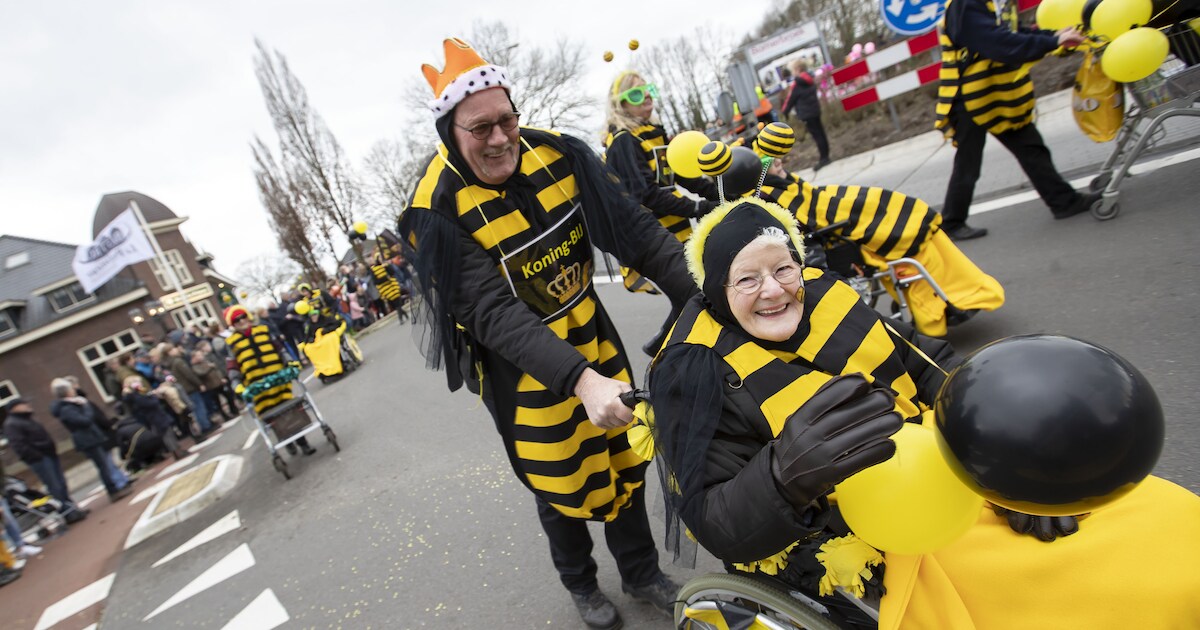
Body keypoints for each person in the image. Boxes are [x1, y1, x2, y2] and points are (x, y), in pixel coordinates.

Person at [399, 38, 700, 629]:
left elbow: (634, 231)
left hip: (590, 328)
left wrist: (700, 291)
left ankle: (640, 573)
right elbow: (490, 311)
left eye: (506, 120)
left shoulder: (559, 154)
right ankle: (581, 584)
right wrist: (581, 383)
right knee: (557, 475)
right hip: (521, 367)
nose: (499, 139)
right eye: (479, 128)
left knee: (625, 453)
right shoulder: (433, 209)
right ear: (448, 132)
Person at [646, 197, 946, 626]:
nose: (773, 290)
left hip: (934, 483)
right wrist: (782, 477)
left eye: (784, 269)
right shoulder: (692, 369)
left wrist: (1008, 453)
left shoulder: (830, 295)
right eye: (746, 279)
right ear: (717, 288)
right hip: (836, 542)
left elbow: (932, 365)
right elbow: (712, 518)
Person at [758, 157, 1004, 337]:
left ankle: (953, 299)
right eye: (768, 157)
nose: (779, 159)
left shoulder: (780, 184)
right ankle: (942, 309)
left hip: (859, 216)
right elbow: (815, 218)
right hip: (853, 230)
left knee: (917, 223)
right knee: (916, 235)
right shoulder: (772, 195)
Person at [935, 0, 1101, 240]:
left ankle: (1064, 202)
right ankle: (951, 222)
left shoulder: (997, 2)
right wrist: (1052, 41)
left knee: (1029, 145)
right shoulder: (966, 3)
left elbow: (1012, 32)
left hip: (994, 92)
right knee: (969, 163)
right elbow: (997, 43)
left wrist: (1053, 36)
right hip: (968, 96)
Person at [603, 71, 721, 286]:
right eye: (637, 94)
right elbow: (646, 195)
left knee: (697, 296)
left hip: (674, 225)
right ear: (621, 104)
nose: (647, 97)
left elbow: (678, 174)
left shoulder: (653, 132)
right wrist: (699, 208)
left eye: (649, 91)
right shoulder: (623, 141)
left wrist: (719, 193)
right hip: (653, 234)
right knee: (695, 296)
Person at [223, 305, 316, 456]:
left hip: (278, 382)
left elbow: (280, 349)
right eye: (236, 320)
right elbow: (232, 367)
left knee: (290, 412)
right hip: (258, 389)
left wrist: (290, 362)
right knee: (272, 417)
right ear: (232, 324)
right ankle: (288, 442)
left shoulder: (263, 330)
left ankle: (303, 443)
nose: (241, 321)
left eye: (243, 317)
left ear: (248, 316)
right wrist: (236, 385)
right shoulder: (231, 343)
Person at [2, 398, 87, 523]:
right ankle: (66, 513)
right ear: (15, 408)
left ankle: (72, 509)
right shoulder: (12, 424)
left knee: (61, 483)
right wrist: (37, 456)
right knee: (54, 486)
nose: (27, 405)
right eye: (23, 404)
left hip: (49, 455)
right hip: (40, 459)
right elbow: (19, 445)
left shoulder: (27, 419)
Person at [49, 379, 132, 501]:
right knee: (103, 466)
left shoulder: (72, 405)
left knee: (105, 463)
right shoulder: (67, 409)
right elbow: (84, 421)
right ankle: (113, 491)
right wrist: (86, 407)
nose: (73, 391)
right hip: (88, 440)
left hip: (92, 437)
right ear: (66, 392)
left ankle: (117, 485)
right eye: (71, 389)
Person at [122, 376, 187, 460]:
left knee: (169, 433)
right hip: (156, 418)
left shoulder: (138, 394)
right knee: (167, 435)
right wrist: (153, 396)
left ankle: (177, 450)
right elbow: (152, 403)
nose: (141, 384)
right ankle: (176, 452)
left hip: (157, 416)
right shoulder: (137, 396)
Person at [782, 59, 831, 170]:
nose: (793, 73)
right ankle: (826, 155)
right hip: (815, 109)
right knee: (821, 133)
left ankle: (824, 159)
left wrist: (785, 111)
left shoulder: (797, 83)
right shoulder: (810, 79)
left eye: (793, 70)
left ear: (798, 69)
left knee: (816, 135)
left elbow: (791, 99)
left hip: (807, 113)